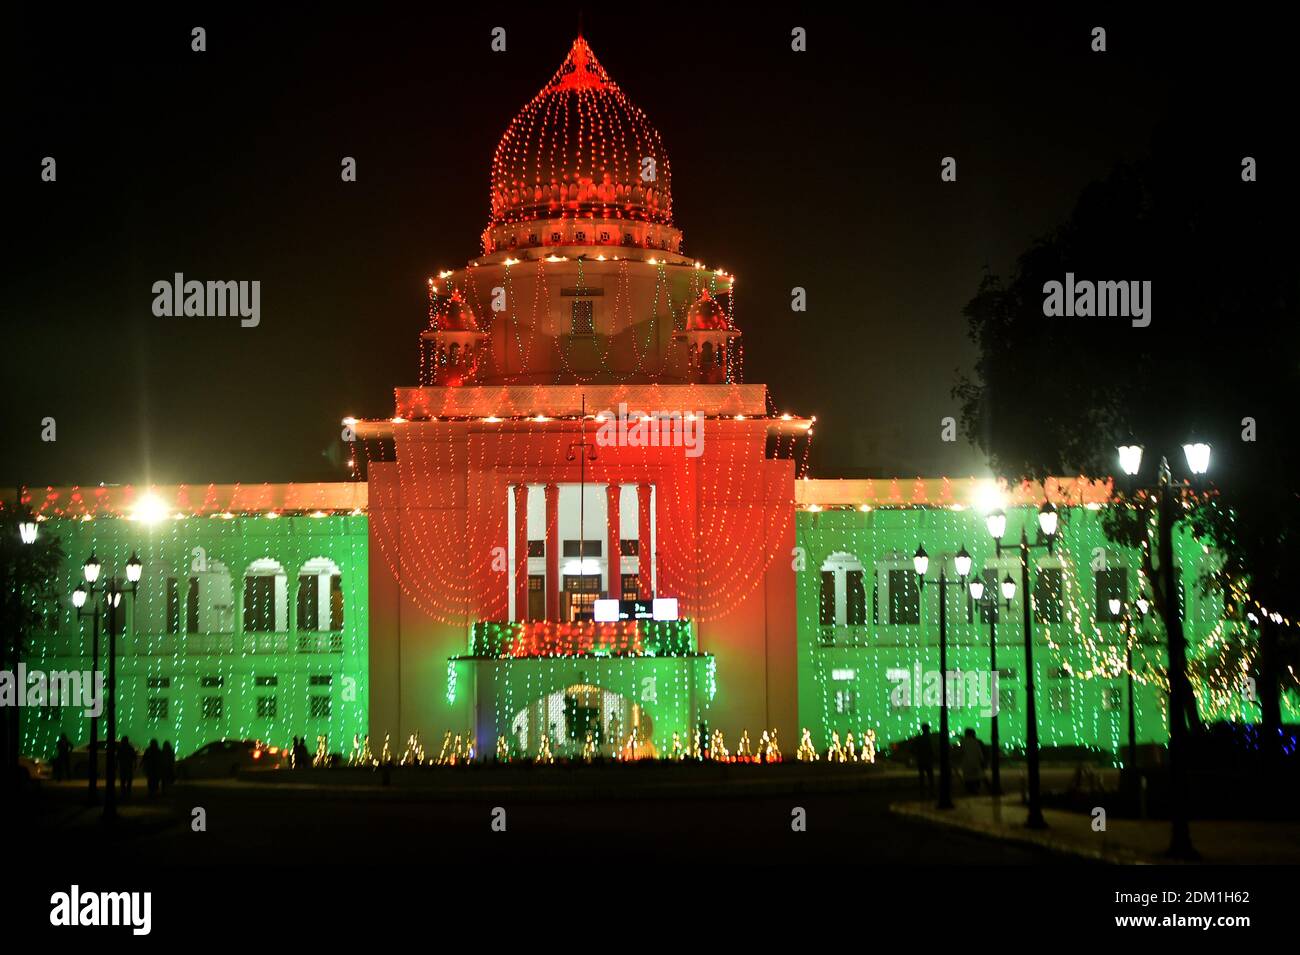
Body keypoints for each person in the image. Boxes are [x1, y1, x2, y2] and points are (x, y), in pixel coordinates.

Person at [960, 727, 985, 795]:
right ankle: (975, 790)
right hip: (975, 762)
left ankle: (969, 790)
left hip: (966, 762)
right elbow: (979, 752)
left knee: (968, 778)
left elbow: (961, 752)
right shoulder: (976, 742)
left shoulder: (963, 742)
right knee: (976, 777)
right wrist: (982, 761)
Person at [913, 724, 935, 794]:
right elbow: (931, 749)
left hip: (921, 759)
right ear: (928, 729)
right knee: (930, 776)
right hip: (928, 760)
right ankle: (931, 790)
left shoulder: (919, 738)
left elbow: (915, 748)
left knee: (922, 775)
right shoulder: (929, 738)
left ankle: (922, 790)